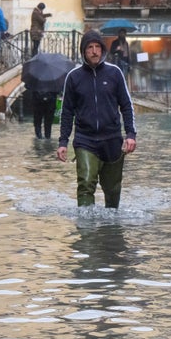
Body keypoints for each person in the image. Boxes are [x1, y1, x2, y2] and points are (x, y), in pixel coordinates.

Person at [56, 30, 137, 208]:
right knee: (85, 184)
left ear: (102, 50)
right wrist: (63, 142)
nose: (94, 51)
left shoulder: (114, 73)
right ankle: (86, 231)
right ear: (84, 52)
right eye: (90, 48)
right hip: (85, 140)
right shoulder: (74, 77)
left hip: (112, 139)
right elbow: (67, 112)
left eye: (97, 47)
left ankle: (111, 232)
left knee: (113, 189)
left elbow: (126, 105)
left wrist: (130, 134)